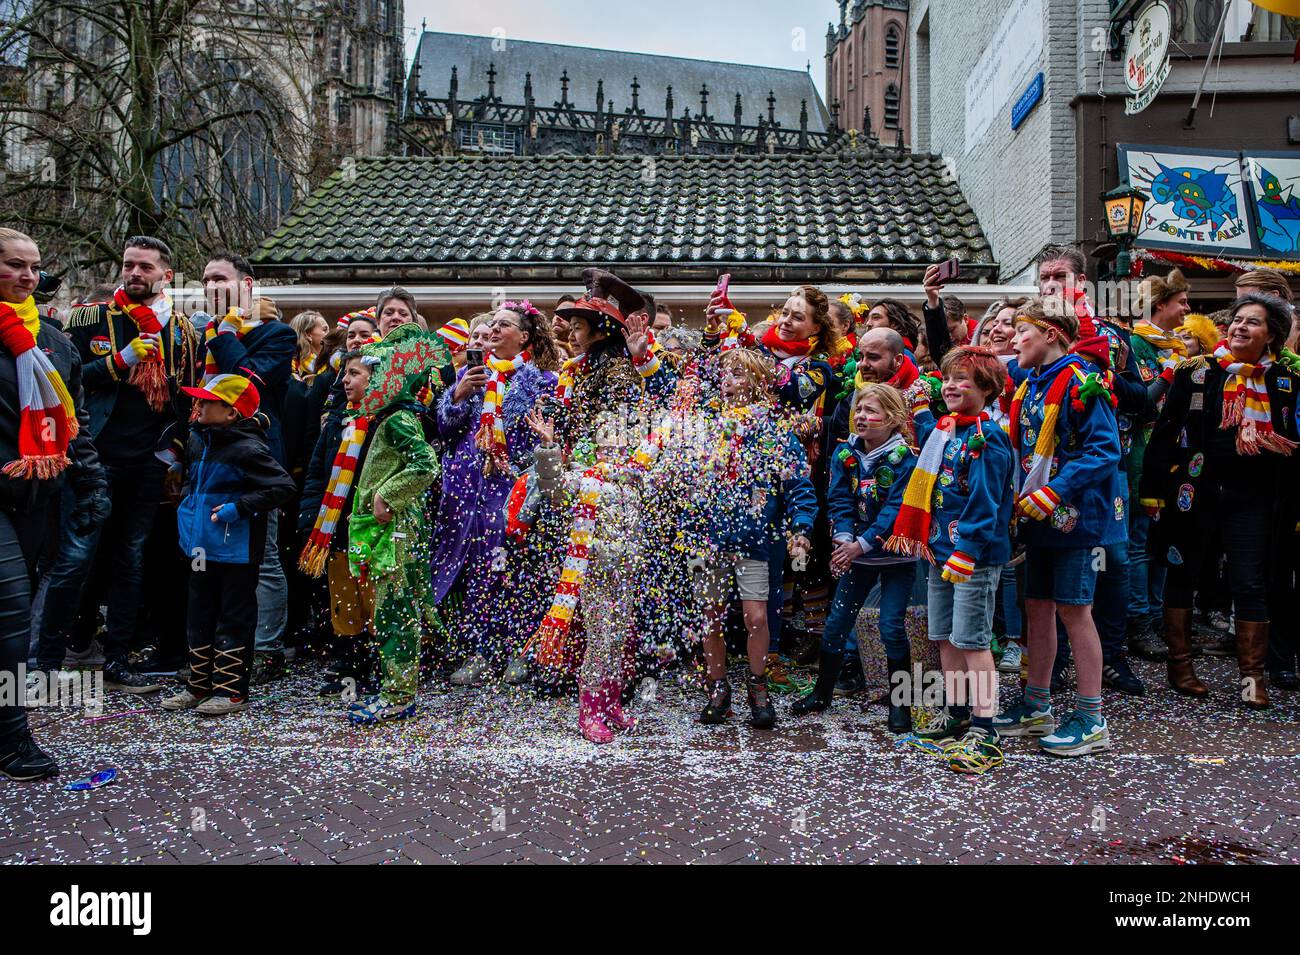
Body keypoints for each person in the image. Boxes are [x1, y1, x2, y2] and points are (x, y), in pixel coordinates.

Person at [54, 236, 198, 693]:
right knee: (76, 557)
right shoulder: (91, 318)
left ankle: (116, 658)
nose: (135, 274)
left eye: (145, 267)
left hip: (146, 462)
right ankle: (57, 651)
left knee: (130, 561)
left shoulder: (182, 332)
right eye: (129, 265)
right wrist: (121, 361)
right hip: (92, 457)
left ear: (166, 276)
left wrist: (172, 451)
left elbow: (185, 398)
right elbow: (66, 384)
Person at [1140, 294, 1298, 709]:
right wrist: (1154, 489)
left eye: (1253, 323)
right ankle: (1181, 667)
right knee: (1184, 575)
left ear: (1273, 336)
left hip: (1254, 498)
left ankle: (1251, 679)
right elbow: (1165, 431)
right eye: (1237, 320)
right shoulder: (1197, 372)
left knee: (1249, 581)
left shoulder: (1285, 382)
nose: (1240, 327)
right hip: (1196, 493)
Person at [993, 298, 1124, 757]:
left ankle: (1091, 717)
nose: (1012, 338)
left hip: (1074, 519)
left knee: (1074, 611)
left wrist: (1054, 492)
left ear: (1050, 333)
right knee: (1037, 608)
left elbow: (1105, 451)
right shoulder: (1029, 384)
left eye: (1021, 330)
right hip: (1037, 516)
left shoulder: (1082, 380)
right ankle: (1036, 705)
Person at [0, 228, 109, 780]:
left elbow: (74, 424)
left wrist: (91, 484)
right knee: (12, 610)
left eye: (34, 266)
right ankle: (13, 737)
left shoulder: (53, 341)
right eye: (14, 266)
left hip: (35, 496)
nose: (27, 276)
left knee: (12, 617)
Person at [887, 346, 1015, 770]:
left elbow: (987, 500)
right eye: (949, 379)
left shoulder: (988, 435)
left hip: (971, 557)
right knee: (944, 635)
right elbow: (927, 451)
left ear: (987, 388)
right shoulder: (946, 427)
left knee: (973, 639)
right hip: (940, 549)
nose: (953, 386)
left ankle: (986, 726)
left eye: (964, 380)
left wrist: (967, 550)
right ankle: (957, 712)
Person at [684, 349, 816, 730]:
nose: (728, 381)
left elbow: (798, 487)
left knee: (756, 616)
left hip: (755, 541)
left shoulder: (774, 434)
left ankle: (757, 685)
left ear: (759, 384)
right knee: (710, 617)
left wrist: (802, 529)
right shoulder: (703, 429)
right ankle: (718, 689)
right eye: (725, 374)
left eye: (738, 374)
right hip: (706, 542)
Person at [433, 300, 560, 686]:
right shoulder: (472, 375)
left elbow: (548, 436)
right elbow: (445, 429)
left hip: (512, 490)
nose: (492, 331)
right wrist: (457, 395)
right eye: (490, 326)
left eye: (502, 325)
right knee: (476, 573)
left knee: (516, 571)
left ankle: (522, 650)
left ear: (524, 336)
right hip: (466, 491)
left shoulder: (541, 380)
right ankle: (478, 651)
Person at [161, 373, 295, 715]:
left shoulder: (249, 448)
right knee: (198, 611)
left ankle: (231, 690)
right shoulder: (197, 439)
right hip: (200, 547)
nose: (199, 405)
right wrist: (186, 514)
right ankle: (198, 685)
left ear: (232, 412)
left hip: (236, 549)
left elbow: (282, 487)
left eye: (208, 401)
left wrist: (238, 507)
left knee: (233, 615)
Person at [791, 383, 917, 728]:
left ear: (892, 419)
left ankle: (900, 703)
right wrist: (844, 541)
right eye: (858, 410)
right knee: (836, 623)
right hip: (854, 555)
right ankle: (823, 692)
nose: (861, 416)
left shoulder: (905, 459)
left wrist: (860, 544)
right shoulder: (845, 453)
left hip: (893, 556)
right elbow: (840, 499)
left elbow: (896, 508)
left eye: (871, 411)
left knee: (891, 626)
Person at [345, 323, 448, 725]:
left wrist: (387, 494)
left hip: (399, 531)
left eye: (355, 373)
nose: (346, 381)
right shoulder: (387, 419)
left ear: (382, 376)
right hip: (392, 530)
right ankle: (395, 687)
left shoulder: (399, 420)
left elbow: (426, 464)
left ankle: (399, 695)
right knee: (391, 607)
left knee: (396, 609)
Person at [299, 348, 381, 695]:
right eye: (345, 373)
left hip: (372, 524)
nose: (345, 380)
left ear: (375, 380)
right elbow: (318, 470)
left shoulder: (388, 421)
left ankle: (377, 667)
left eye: (355, 374)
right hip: (335, 523)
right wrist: (310, 516)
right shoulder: (338, 419)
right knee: (343, 597)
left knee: (373, 598)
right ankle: (348, 667)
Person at [1125, 269, 1191, 660]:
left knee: (1162, 542)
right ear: (1161, 304)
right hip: (1142, 456)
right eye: (1181, 301)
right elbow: (1143, 402)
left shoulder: (1180, 348)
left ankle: (1157, 615)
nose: (1187, 309)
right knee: (1138, 544)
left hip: (1173, 458)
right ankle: (1139, 623)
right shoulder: (1136, 345)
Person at [289, 310, 329, 383]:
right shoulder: (290, 366)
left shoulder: (333, 362)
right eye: (325, 330)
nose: (329, 334)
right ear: (308, 335)